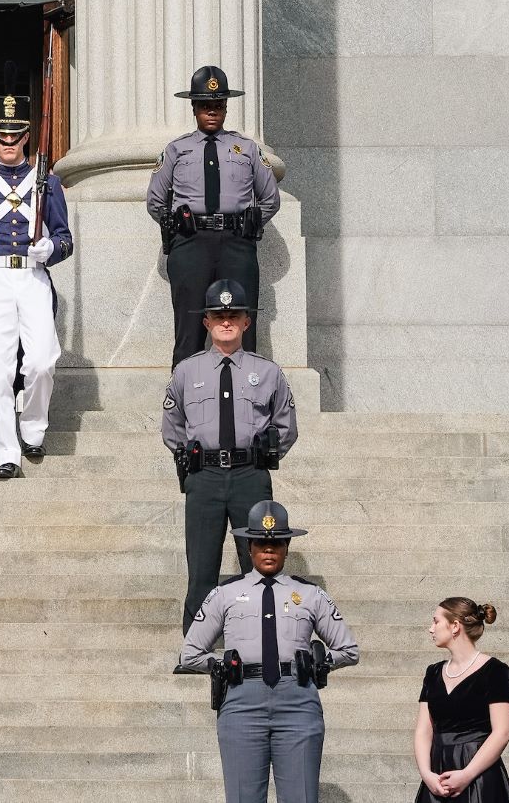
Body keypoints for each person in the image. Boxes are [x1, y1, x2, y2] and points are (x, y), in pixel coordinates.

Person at [179, 501, 359, 803]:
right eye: (261, 543)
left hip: (298, 700)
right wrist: (222, 663)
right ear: (249, 546)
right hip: (241, 700)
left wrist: (320, 662)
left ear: (287, 546)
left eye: (276, 543)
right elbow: (190, 653)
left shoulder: (310, 594)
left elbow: (349, 649)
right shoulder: (226, 593)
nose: (268, 550)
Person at [162, 278, 298, 631]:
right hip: (204, 479)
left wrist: (260, 459)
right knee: (202, 569)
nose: (226, 321)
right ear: (206, 322)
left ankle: (257, 643)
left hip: (249, 478)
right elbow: (172, 425)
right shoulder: (186, 371)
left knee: (255, 568)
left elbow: (286, 426)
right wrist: (192, 462)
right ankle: (195, 646)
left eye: (234, 315)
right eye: (218, 315)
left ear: (246, 322)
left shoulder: (267, 373)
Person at [0, 91, 73, 480]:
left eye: (16, 135)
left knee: (42, 361)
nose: (9, 143)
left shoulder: (47, 183)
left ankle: (34, 427)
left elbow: (65, 238)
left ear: (26, 136)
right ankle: (6, 453)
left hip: (32, 276)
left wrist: (50, 248)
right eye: (1, 136)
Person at [147, 65, 280, 366]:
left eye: (218, 104)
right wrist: (177, 226)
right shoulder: (176, 150)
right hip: (191, 243)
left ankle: (247, 403)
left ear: (226, 107)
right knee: (189, 330)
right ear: (194, 107)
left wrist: (250, 224)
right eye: (205, 105)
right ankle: (183, 405)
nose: (212, 111)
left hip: (237, 244)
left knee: (242, 326)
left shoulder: (246, 149)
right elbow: (156, 200)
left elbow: (270, 198)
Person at [414, 596, 509, 802]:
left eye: (436, 621)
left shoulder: (495, 671)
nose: (431, 629)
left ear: (455, 626)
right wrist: (426, 774)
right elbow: (424, 729)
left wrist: (467, 774)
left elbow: (502, 733)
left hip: (478, 775)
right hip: (437, 776)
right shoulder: (433, 673)